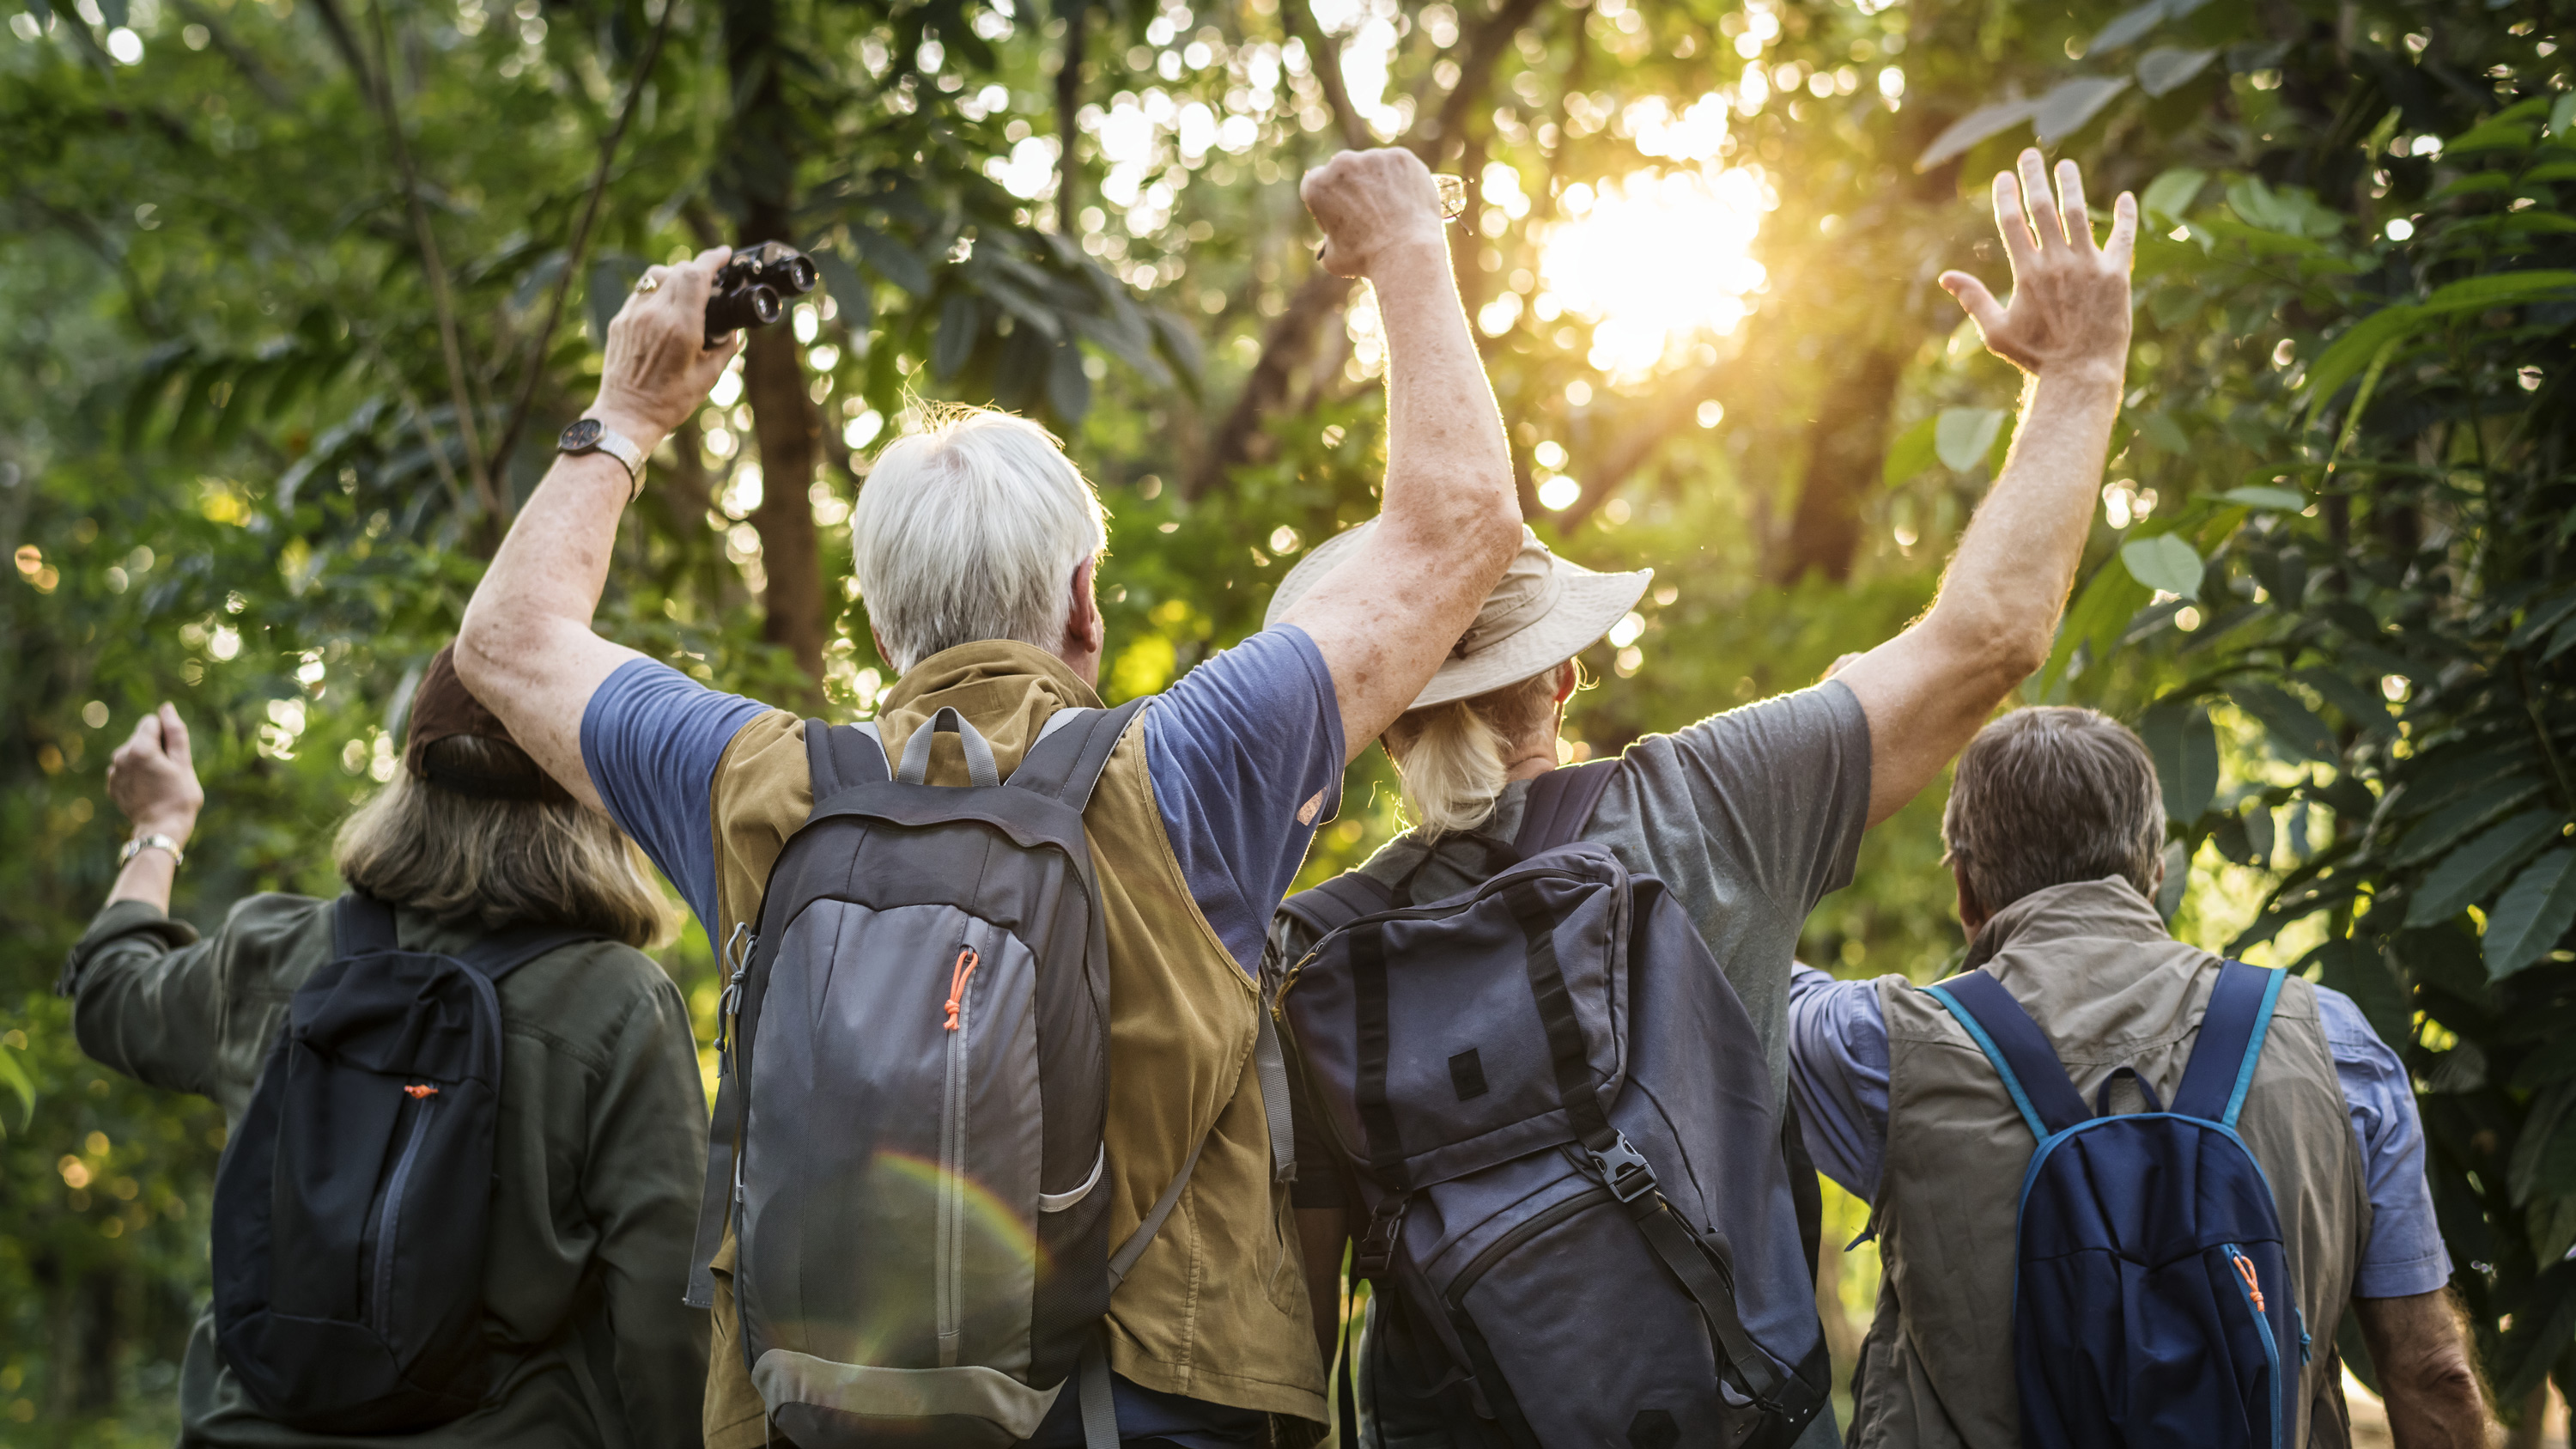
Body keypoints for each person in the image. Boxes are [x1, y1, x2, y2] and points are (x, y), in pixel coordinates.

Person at [451, 144, 1522, 1446]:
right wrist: (1407, 241)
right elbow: (1459, 522)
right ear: (1084, 597)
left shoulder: (755, 785)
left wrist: (626, 415)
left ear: (879, 620)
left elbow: (505, 640)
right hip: (1151, 1412)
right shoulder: (1193, 764)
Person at [1273, 151, 2139, 1439]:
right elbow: (1992, 634)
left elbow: (1300, 1303)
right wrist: (2078, 374)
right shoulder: (1710, 802)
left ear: (1386, 707)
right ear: (1562, 672)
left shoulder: (1312, 944)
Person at [58, 654, 712, 1448]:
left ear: (411, 777)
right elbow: (665, 1319)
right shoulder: (617, 1001)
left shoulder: (272, 950)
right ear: (593, 792)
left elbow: (108, 993)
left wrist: (157, 829)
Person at [1787, 706, 2488, 1447]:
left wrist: (1836, 752)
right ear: (2154, 870)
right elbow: (2433, 1371)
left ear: (1964, 887)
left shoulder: (1880, 1050)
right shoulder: (2333, 1041)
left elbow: (1736, 958)